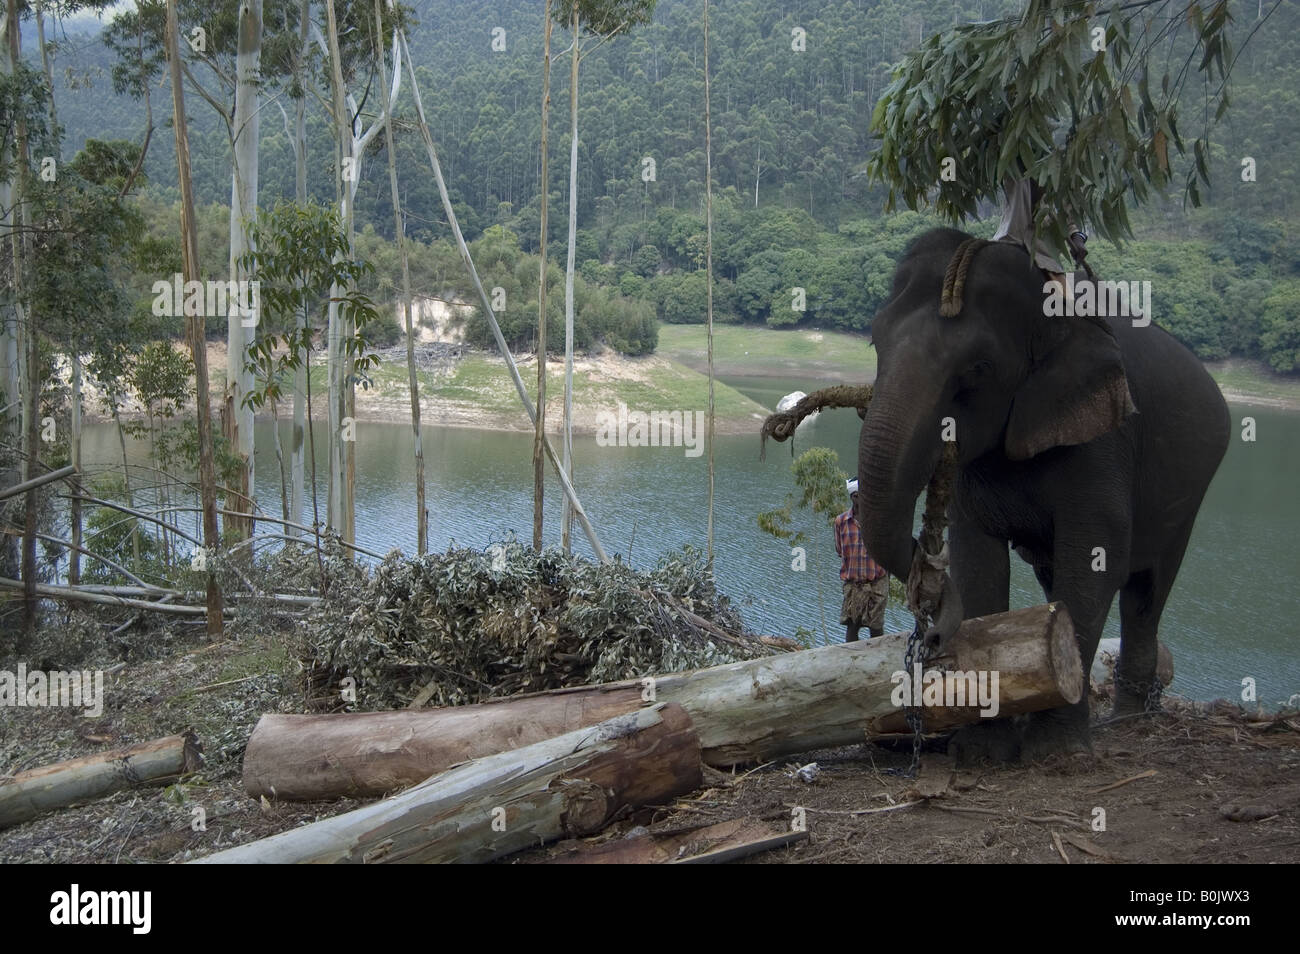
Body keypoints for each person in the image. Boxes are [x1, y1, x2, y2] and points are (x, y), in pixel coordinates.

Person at [992, 176, 1090, 293]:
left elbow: (1071, 218)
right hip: (1008, 243)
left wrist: (1077, 238)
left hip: (1044, 258)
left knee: (1065, 306)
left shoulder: (1062, 170)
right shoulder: (1013, 167)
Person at [834, 479, 889, 641]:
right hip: (854, 584)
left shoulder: (879, 521)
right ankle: (851, 660)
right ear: (854, 496)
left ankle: (878, 659)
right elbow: (839, 550)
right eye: (861, 496)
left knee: (876, 627)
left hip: (877, 582)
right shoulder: (841, 522)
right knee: (852, 626)